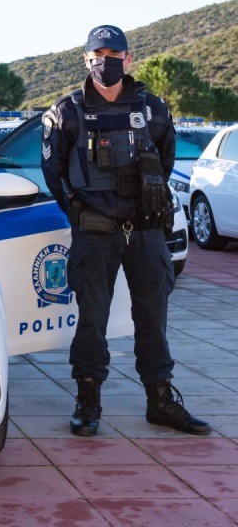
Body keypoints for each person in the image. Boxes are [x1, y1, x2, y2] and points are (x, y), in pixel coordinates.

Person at [41, 25, 210, 437]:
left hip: (148, 233)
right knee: (92, 321)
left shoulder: (153, 108)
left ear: (128, 58)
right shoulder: (67, 112)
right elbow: (54, 174)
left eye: (114, 52)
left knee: (153, 317)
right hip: (94, 234)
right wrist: (84, 212)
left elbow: (165, 163)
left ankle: (161, 400)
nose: (106, 60)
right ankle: (88, 400)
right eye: (97, 53)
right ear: (86, 60)